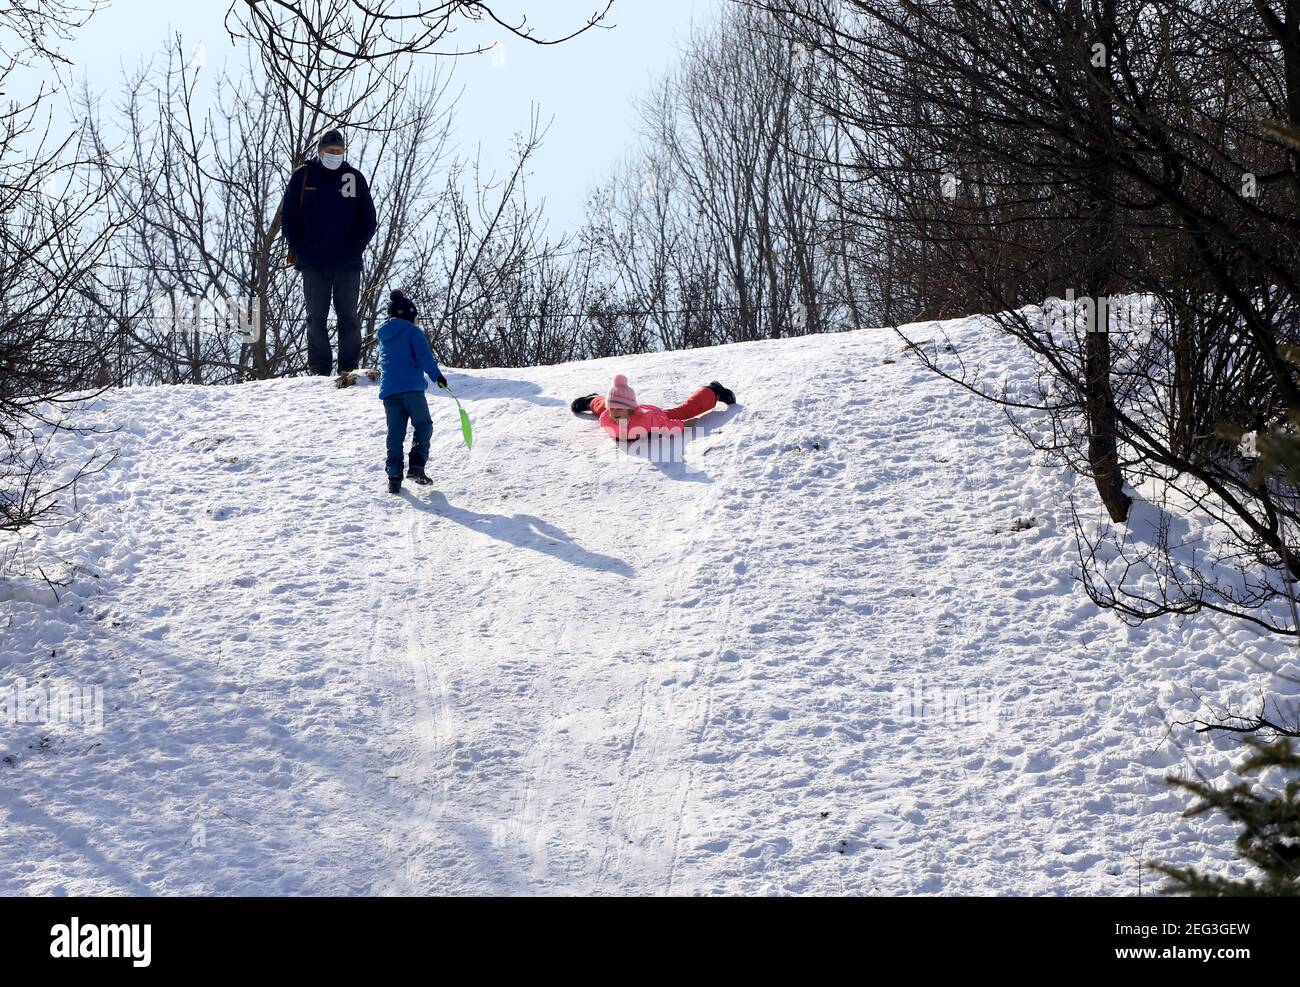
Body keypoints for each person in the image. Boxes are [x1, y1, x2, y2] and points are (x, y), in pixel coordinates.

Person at [279, 128, 378, 377]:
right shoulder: (303, 177)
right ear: (320, 151)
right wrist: (300, 248)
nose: (335, 155)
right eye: (330, 151)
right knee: (316, 317)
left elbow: (368, 219)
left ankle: (349, 369)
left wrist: (355, 247)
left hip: (347, 263)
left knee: (349, 317)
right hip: (313, 262)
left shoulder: (354, 178)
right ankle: (319, 371)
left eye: (339, 151)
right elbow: (288, 216)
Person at [377, 290, 448, 495]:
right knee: (423, 425)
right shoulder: (413, 332)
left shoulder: (384, 335)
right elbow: (425, 358)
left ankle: (394, 476)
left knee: (395, 434)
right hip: (412, 390)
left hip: (389, 392)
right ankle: (416, 466)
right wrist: (438, 378)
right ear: (409, 315)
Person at [571, 375, 736, 440]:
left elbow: (665, 425)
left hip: (654, 412)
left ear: (630, 409)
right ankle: (591, 399)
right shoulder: (608, 416)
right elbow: (605, 408)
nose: (615, 413)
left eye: (620, 410)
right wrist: (592, 403)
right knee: (600, 406)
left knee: (685, 411)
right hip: (626, 410)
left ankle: (713, 391)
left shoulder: (646, 420)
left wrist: (683, 425)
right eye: (613, 409)